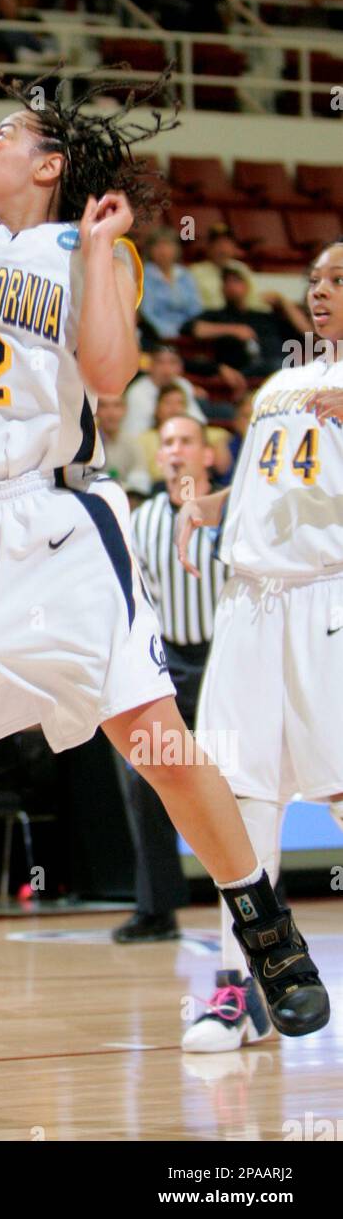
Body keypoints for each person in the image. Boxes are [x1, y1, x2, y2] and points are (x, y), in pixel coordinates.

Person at [0, 74, 329, 1110]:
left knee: (158, 742)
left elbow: (111, 374)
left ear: (47, 166)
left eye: (9, 134)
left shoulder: (93, 250)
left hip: (50, 519)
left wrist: (91, 252)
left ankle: (267, 932)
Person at [176, 238, 343, 1052]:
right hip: (248, 604)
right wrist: (211, 505)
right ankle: (237, 987)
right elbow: (261, 479)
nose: (318, 293)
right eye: (313, 281)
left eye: (337, 281)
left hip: (327, 597)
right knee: (237, 796)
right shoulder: (281, 382)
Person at [115, 414, 227, 943]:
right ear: (159, 458)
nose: (175, 451)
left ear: (208, 456)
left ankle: (259, 891)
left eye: (186, 441)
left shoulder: (233, 515)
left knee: (250, 779)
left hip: (229, 658)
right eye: (167, 443)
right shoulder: (143, 521)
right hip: (170, 664)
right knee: (146, 777)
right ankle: (156, 906)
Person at [139, 227, 205, 340]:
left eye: (167, 245)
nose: (163, 251)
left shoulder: (185, 275)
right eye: (158, 245)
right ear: (149, 250)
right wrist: (169, 333)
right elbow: (147, 312)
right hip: (158, 333)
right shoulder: (143, 275)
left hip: (188, 330)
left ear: (176, 249)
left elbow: (196, 307)